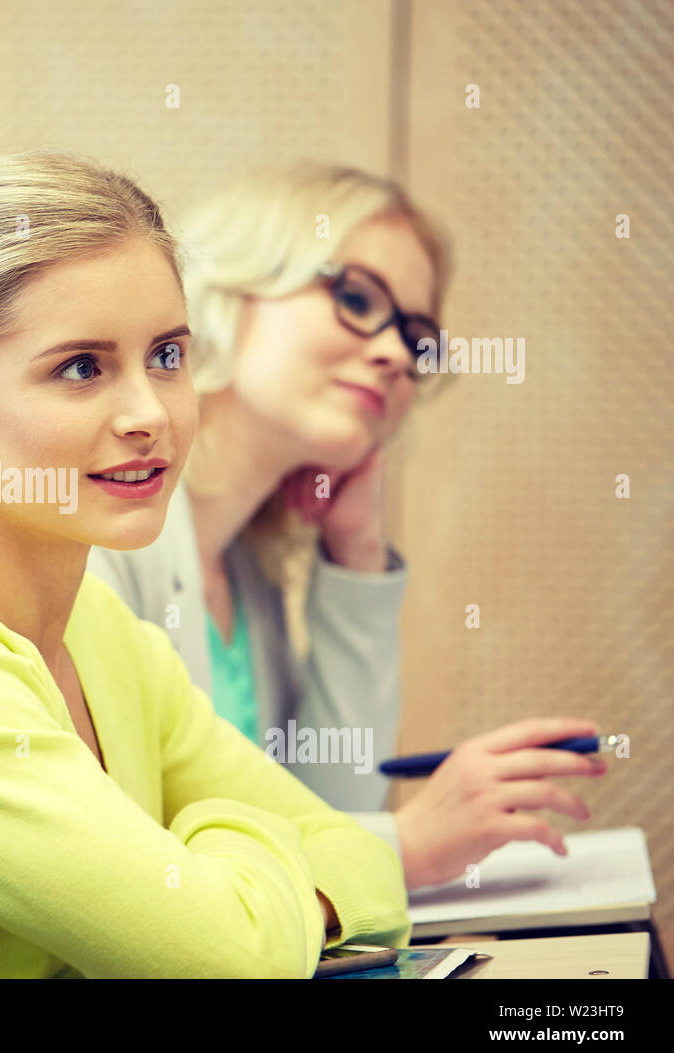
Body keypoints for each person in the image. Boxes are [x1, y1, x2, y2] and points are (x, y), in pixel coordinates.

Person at [0, 151, 409, 979]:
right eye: (82, 368)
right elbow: (227, 959)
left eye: (167, 356)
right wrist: (229, 841)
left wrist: (233, 879)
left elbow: (369, 867)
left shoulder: (102, 631)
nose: (149, 414)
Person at [88, 164, 603, 889]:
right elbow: (131, 874)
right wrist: (410, 844)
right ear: (229, 293)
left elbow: (328, 810)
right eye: (357, 297)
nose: (395, 353)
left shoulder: (246, 575)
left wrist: (356, 550)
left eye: (416, 336)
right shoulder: (100, 533)